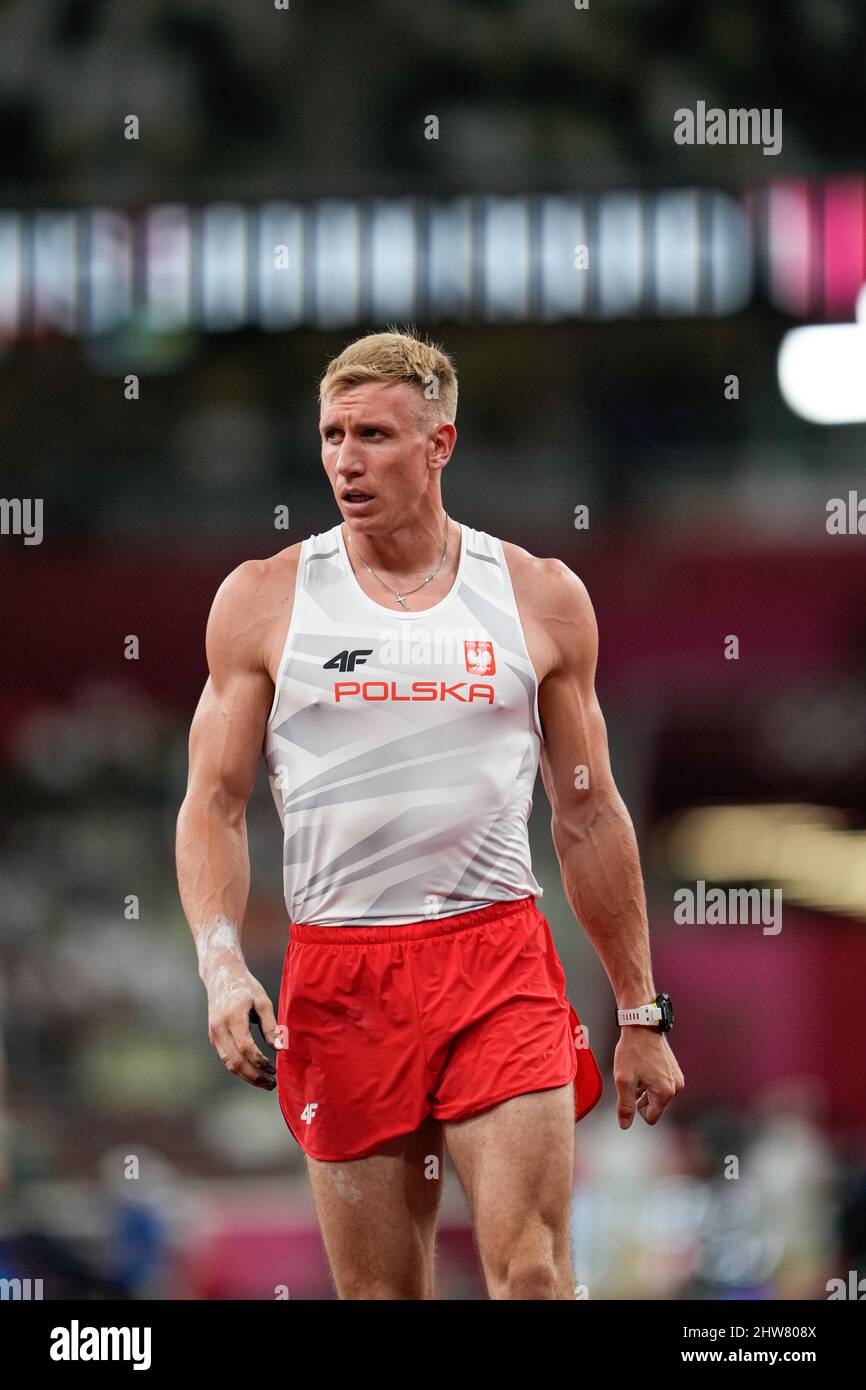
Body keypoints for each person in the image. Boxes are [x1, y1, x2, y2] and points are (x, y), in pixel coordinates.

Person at [176, 328, 684, 1300]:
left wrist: (637, 1011)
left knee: (532, 1273)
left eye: (372, 433)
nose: (343, 459)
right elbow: (214, 803)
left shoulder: (536, 597)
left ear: (439, 443)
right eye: (330, 434)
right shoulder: (264, 599)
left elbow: (587, 818)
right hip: (338, 974)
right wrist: (220, 961)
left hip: (496, 961)